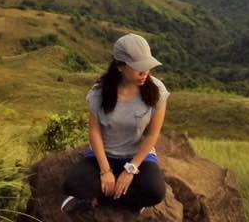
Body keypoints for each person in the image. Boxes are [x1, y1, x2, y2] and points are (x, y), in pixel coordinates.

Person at [61, 33, 169, 215]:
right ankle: (127, 198)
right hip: (104, 155)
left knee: (156, 192)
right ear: (120, 66)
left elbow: (152, 134)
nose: (145, 74)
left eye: (147, 68)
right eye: (139, 69)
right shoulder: (99, 92)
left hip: (138, 158)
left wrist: (131, 170)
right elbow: (94, 132)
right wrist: (105, 171)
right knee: (71, 184)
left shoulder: (157, 90)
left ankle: (99, 197)